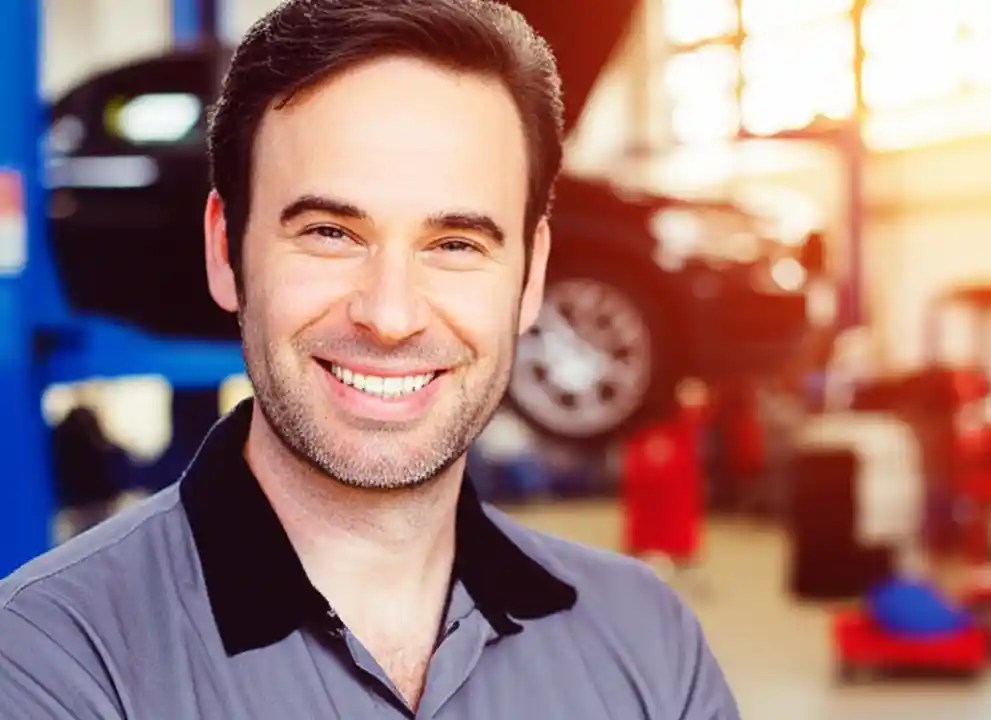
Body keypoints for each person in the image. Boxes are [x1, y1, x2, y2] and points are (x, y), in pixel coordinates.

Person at [0, 1, 739, 717]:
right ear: (226, 250)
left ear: (530, 276)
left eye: (455, 245)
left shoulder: (650, 646)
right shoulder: (51, 657)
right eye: (330, 233)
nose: (389, 316)